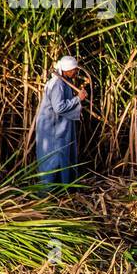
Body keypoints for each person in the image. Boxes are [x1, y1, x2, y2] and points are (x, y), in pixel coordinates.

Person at [35, 55, 86, 187]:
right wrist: (77, 99)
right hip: (52, 128)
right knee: (53, 157)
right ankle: (50, 190)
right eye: (74, 70)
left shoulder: (64, 81)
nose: (76, 72)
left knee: (60, 155)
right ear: (67, 70)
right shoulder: (57, 84)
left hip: (58, 126)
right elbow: (58, 107)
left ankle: (61, 188)